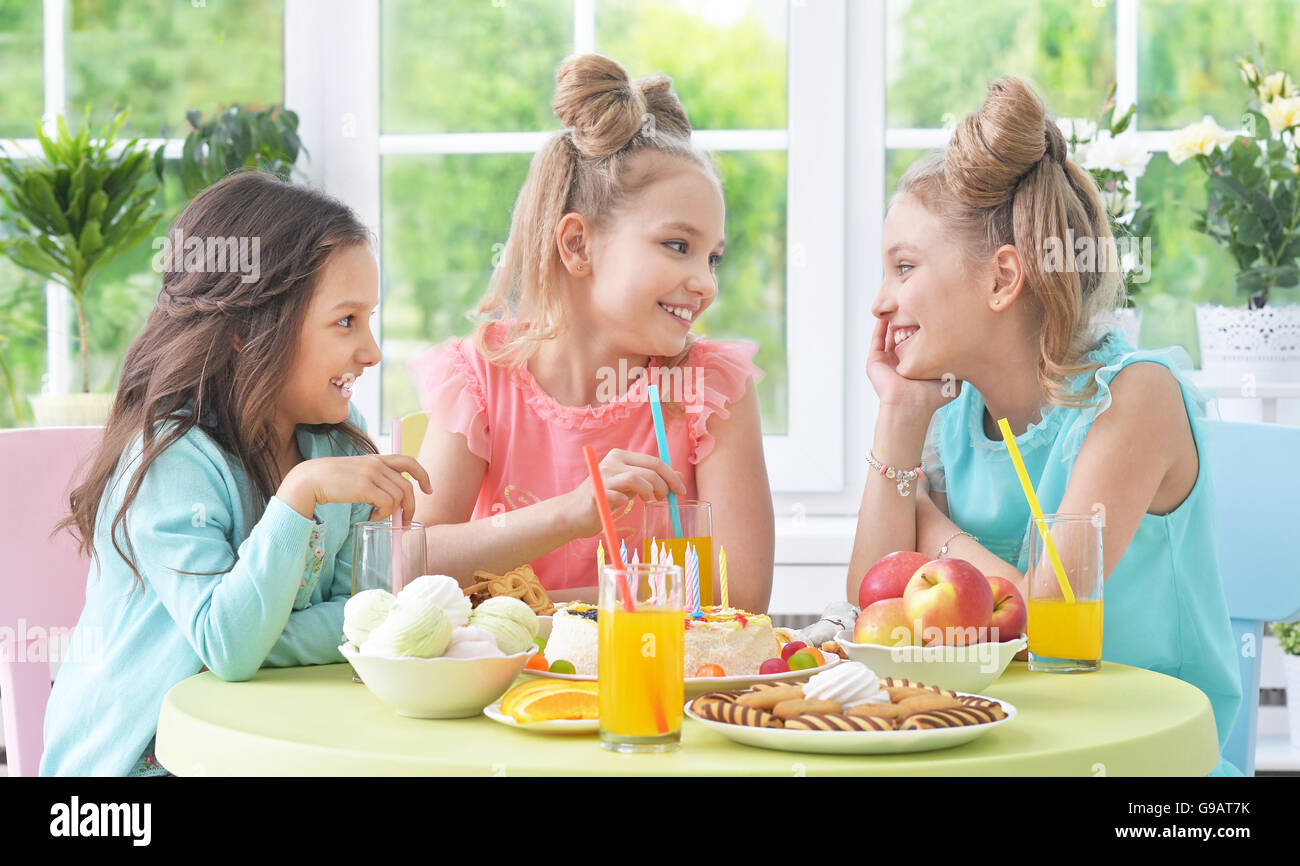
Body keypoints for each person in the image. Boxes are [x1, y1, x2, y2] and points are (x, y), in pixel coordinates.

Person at [848, 77, 1242, 774]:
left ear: (1003, 279)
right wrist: (899, 417)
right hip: (1011, 755)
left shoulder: (1134, 398)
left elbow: (1045, 621)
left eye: (903, 267)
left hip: (1147, 771)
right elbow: (874, 602)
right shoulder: (950, 412)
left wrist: (932, 527)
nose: (881, 303)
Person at [40, 172, 431, 776]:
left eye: (369, 319)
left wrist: (260, 634)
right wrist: (299, 496)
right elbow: (227, 644)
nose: (373, 350)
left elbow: (363, 614)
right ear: (251, 331)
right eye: (346, 321)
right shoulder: (173, 456)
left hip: (261, 745)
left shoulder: (336, 434)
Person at [407, 54, 773, 610]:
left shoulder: (710, 389)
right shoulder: (482, 379)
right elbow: (411, 563)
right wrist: (571, 512)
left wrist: (545, 608)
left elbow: (739, 596)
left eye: (713, 258)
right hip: (507, 691)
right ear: (578, 245)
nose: (704, 283)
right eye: (679, 246)